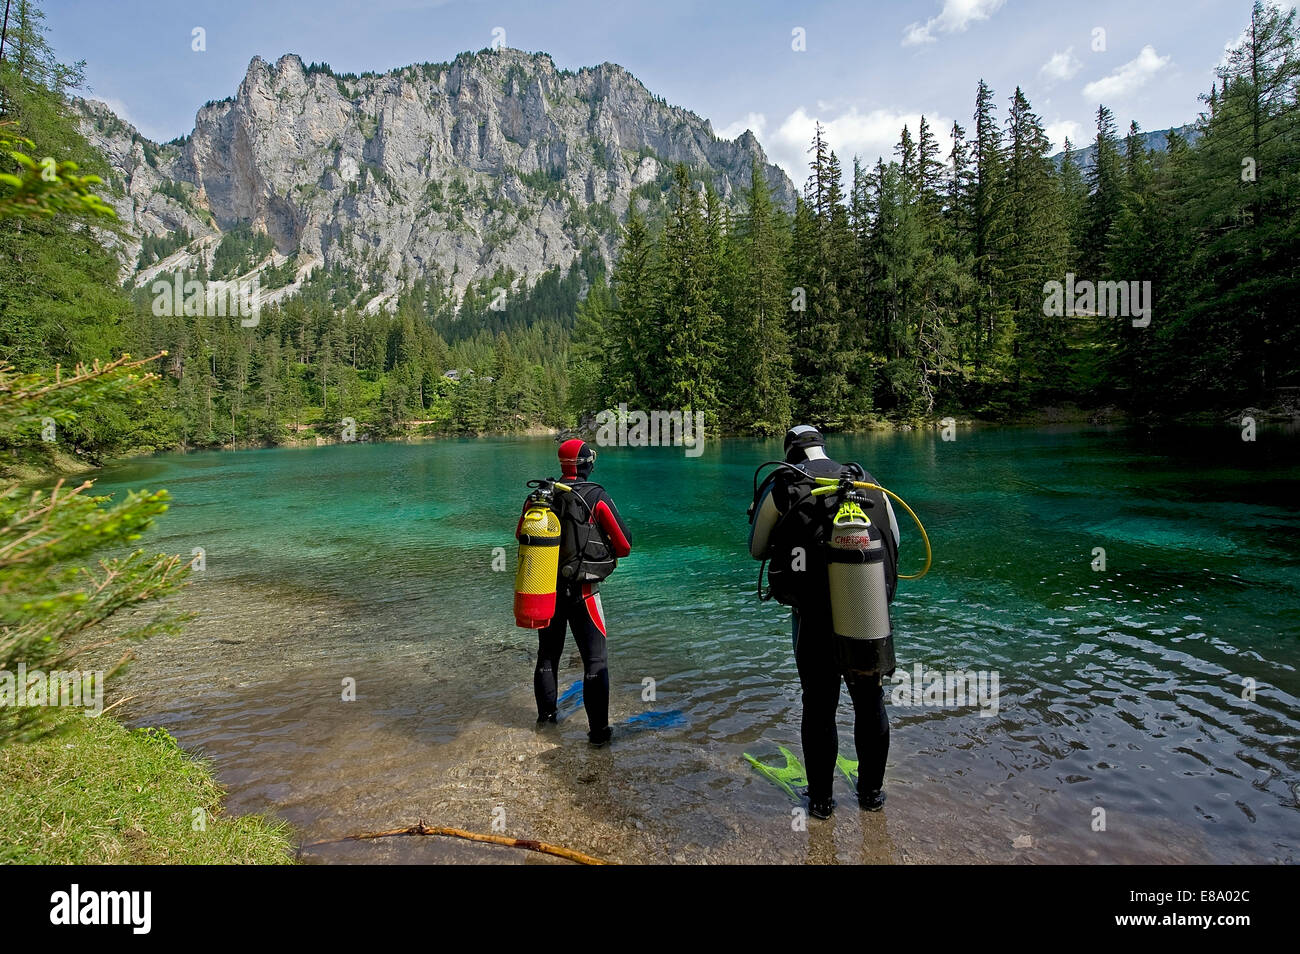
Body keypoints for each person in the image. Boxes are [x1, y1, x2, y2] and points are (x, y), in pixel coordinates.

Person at [748, 425, 900, 818]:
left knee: (818, 705)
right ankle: (871, 796)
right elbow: (895, 540)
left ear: (790, 451)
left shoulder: (785, 485)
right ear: (822, 446)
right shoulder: (868, 482)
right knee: (870, 702)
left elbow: (756, 548)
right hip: (867, 609)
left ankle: (820, 803)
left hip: (813, 618)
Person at [519, 438, 631, 746]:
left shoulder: (540, 497)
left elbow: (521, 533)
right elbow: (624, 545)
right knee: (595, 661)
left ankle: (546, 721)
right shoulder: (596, 495)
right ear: (586, 464)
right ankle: (598, 735)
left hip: (546, 590)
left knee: (547, 655)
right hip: (583, 591)